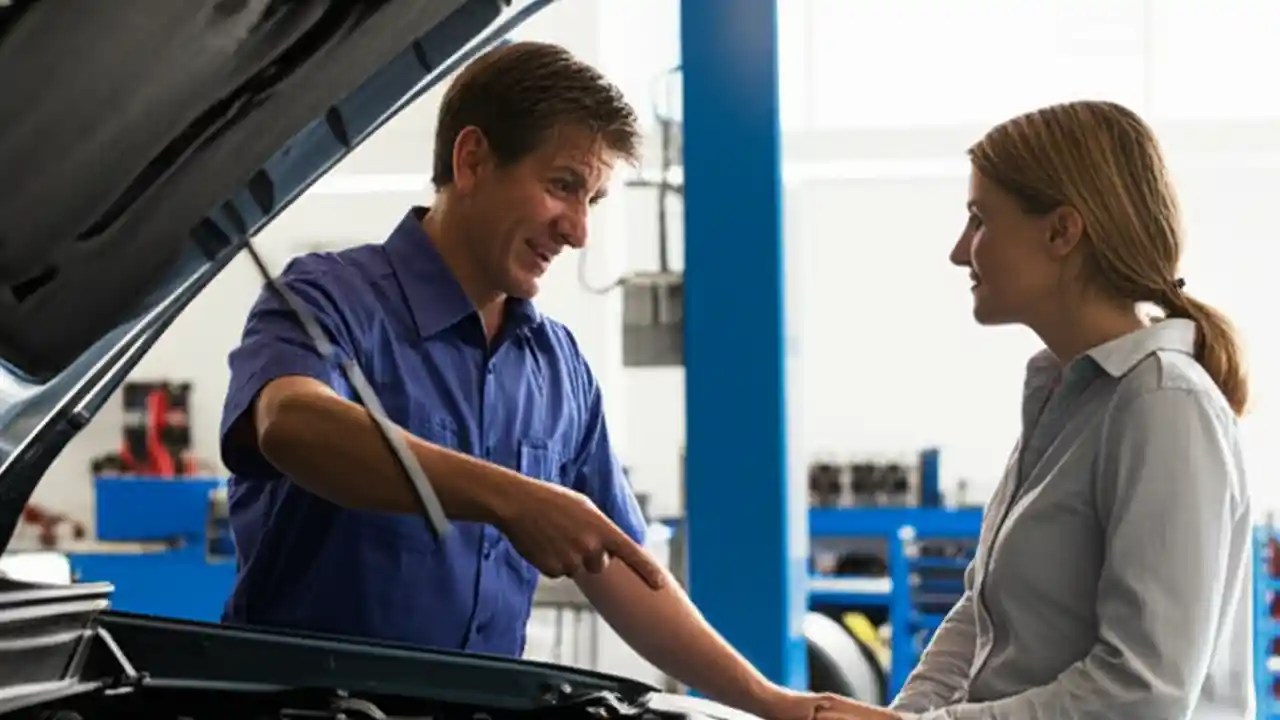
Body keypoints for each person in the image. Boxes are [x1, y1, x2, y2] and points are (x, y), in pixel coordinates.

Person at [217, 40, 829, 720]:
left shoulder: (558, 368)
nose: (578, 230)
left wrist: (772, 702)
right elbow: (291, 426)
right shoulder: (330, 298)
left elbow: (621, 568)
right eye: (564, 185)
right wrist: (511, 499)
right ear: (472, 159)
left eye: (592, 198)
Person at [818, 100, 1254, 719]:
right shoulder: (1066, 394)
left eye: (979, 220)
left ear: (1061, 231)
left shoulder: (1162, 406)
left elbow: (1143, 693)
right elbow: (980, 615)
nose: (959, 251)